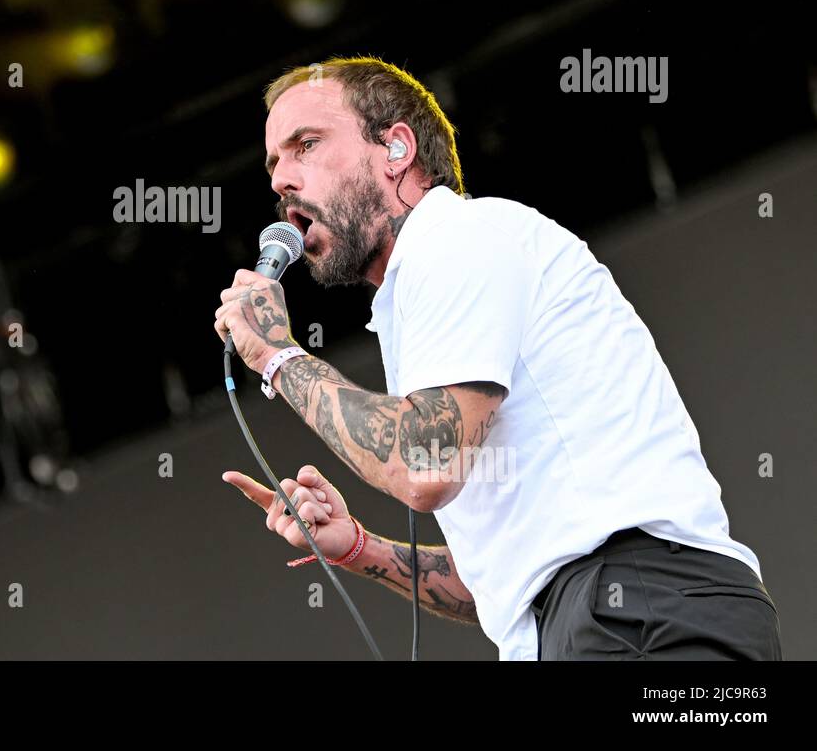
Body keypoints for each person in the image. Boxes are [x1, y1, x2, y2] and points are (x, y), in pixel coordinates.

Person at [215, 56, 781, 660]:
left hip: (641, 611)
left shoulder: (460, 239)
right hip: (595, 620)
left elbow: (424, 465)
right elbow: (494, 583)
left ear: (396, 148)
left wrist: (279, 356)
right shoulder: (417, 304)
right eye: (275, 163)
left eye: (306, 144)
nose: (281, 180)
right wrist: (357, 546)